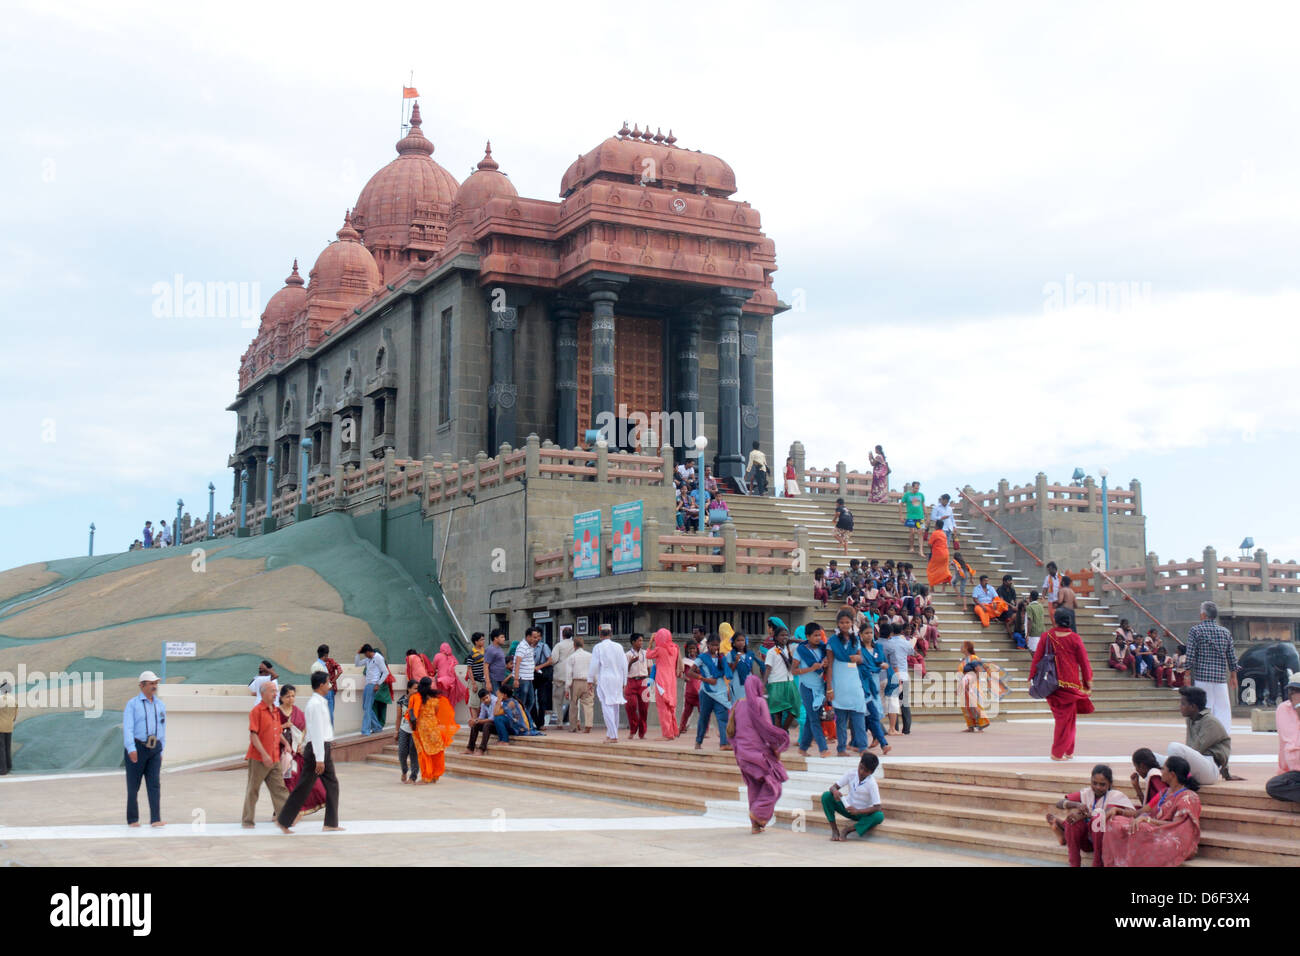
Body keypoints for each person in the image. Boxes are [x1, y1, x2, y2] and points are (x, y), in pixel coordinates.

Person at [1101, 755, 1202, 867]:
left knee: (1140, 828)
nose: (1160, 771)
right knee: (1114, 821)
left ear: (1172, 774)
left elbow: (1177, 826)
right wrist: (1118, 810)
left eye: (1163, 769)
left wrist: (1148, 820)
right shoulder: (1165, 792)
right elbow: (1140, 812)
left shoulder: (1189, 798)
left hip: (1171, 837)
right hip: (1153, 828)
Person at [278, 672, 342, 833]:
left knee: (332, 785)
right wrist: (320, 759)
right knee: (304, 787)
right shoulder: (315, 704)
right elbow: (317, 732)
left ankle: (331, 823)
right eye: (328, 683)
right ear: (321, 685)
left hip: (322, 749)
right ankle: (284, 820)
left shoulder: (320, 702)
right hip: (317, 751)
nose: (329, 686)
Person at [729, 675, 790, 833]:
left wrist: (739, 751)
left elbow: (731, 732)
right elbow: (767, 729)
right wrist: (776, 750)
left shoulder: (737, 704)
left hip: (742, 755)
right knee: (774, 786)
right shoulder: (759, 702)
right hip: (759, 755)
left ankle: (755, 825)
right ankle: (757, 813)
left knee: (754, 787)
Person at [1030, 608, 1094, 760]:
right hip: (1071, 684)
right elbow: (1084, 662)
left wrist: (1032, 679)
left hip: (1051, 684)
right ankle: (1057, 753)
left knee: (1064, 718)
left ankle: (1068, 750)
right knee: (1066, 719)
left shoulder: (1046, 636)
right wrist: (1088, 682)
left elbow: (1037, 659)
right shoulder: (1075, 638)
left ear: (1055, 620)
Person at [1045, 764, 1134, 867]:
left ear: (1109, 784)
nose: (1097, 787)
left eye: (1102, 784)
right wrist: (1076, 804)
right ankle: (1074, 863)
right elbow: (1059, 803)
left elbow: (1106, 813)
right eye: (1094, 783)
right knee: (1073, 822)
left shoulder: (1115, 796)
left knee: (1097, 820)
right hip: (1086, 841)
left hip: (1104, 843)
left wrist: (1084, 815)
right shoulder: (1087, 793)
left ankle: (1097, 862)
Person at [1165, 685, 1241, 785]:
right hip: (1197, 764)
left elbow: (1195, 750)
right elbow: (1190, 750)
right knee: (1152, 757)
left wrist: (1227, 774)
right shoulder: (1190, 719)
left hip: (1209, 769)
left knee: (1174, 748)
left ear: (1193, 707)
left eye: (1183, 704)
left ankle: (1180, 780)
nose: (1180, 706)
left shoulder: (1210, 722)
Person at [1185, 601, 1238, 733]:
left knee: (1203, 707)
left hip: (1202, 676)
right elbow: (1231, 656)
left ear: (1203, 615)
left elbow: (1190, 654)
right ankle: (1223, 736)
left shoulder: (1195, 630)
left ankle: (1204, 734)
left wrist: (1187, 674)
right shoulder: (1225, 632)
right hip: (1220, 677)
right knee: (1223, 708)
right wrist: (1233, 676)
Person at [242, 681, 290, 827]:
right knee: (253, 790)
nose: (275, 694)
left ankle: (286, 818)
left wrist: (286, 743)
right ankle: (247, 820)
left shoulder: (275, 711)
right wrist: (264, 754)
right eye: (272, 691)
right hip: (259, 758)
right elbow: (253, 735)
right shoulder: (256, 711)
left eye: (276, 691)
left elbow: (277, 731)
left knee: (279, 789)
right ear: (263, 694)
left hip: (274, 757)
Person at [123, 670, 166, 828]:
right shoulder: (132, 704)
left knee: (154, 783)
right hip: (138, 747)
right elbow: (128, 727)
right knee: (133, 785)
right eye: (151, 683)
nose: (154, 686)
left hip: (155, 748)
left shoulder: (160, 704)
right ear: (142, 686)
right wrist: (130, 748)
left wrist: (161, 750)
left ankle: (155, 818)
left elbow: (162, 727)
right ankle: (133, 819)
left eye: (156, 683)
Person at [825, 610, 869, 755]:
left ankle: (863, 747)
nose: (845, 625)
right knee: (841, 722)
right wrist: (829, 688)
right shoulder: (832, 641)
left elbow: (861, 658)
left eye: (847, 622)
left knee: (859, 719)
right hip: (840, 685)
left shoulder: (855, 639)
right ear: (838, 623)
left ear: (852, 623)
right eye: (842, 622)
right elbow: (830, 665)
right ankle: (841, 749)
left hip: (854, 684)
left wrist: (858, 659)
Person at [821, 751, 884, 842]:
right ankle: (834, 830)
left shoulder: (872, 784)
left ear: (871, 772)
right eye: (861, 767)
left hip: (862, 813)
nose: (861, 772)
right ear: (859, 763)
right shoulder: (851, 773)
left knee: (879, 816)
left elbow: (878, 807)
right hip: (847, 808)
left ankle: (847, 830)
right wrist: (835, 792)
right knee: (826, 796)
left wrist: (858, 811)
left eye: (866, 771)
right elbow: (833, 787)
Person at [409, 677, 458, 783]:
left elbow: (411, 713)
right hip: (434, 728)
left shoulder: (416, 697)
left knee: (424, 752)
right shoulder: (435, 699)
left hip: (421, 728)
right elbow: (436, 713)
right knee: (437, 752)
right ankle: (435, 776)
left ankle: (426, 777)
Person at [793, 623, 830, 757]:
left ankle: (803, 748)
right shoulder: (800, 650)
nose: (818, 638)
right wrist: (811, 669)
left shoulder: (823, 649)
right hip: (806, 687)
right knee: (814, 718)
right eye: (815, 635)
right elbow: (794, 670)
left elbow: (827, 665)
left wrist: (825, 664)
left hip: (819, 688)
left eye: (819, 635)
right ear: (807, 636)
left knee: (811, 718)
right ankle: (823, 748)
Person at [589, 624, 629, 743]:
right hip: (617, 679)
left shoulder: (598, 647)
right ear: (611, 634)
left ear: (600, 635)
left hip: (606, 678)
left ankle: (613, 735)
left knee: (607, 706)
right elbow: (624, 665)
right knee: (615, 706)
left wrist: (590, 680)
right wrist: (624, 681)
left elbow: (594, 665)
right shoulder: (619, 647)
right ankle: (611, 733)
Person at [695, 634, 733, 750]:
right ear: (708, 645)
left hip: (720, 691)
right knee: (704, 718)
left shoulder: (722, 658)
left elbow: (727, 672)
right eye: (712, 645)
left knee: (723, 717)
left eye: (717, 645)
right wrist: (704, 679)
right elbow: (690, 672)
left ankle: (724, 743)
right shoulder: (701, 658)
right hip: (706, 692)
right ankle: (698, 741)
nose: (715, 648)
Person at [1266, 675, 1300, 804]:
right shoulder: (1283, 709)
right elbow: (1284, 744)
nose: (1293, 694)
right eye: (1291, 690)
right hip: (1296, 773)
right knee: (1274, 786)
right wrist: (1282, 771)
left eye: (1297, 691)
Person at [645, 628, 682, 740]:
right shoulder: (675, 648)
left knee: (663, 708)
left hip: (661, 680)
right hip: (672, 681)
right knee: (671, 707)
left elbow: (648, 655)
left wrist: (651, 642)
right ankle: (674, 731)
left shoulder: (659, 649)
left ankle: (667, 734)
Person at [764, 627, 800, 731]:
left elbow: (804, 642)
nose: (784, 637)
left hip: (789, 682)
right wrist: (763, 685)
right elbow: (768, 668)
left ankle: (784, 731)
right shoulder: (771, 652)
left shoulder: (788, 649)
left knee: (795, 707)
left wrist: (791, 640)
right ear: (775, 637)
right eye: (782, 635)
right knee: (778, 713)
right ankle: (779, 736)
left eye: (786, 635)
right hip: (776, 683)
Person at [355, 643, 389, 735]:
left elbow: (385, 672)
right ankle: (377, 727)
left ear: (368, 652)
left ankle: (365, 730)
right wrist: (358, 654)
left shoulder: (378, 658)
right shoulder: (368, 659)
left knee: (367, 707)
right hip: (367, 685)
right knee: (366, 707)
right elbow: (357, 664)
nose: (365, 656)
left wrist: (378, 684)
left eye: (365, 654)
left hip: (373, 684)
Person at [623, 632, 650, 739]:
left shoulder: (646, 653)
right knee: (630, 706)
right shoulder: (627, 655)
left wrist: (651, 681)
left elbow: (649, 668)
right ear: (633, 642)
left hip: (644, 681)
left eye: (642, 641)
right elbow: (624, 671)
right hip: (631, 681)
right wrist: (631, 662)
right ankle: (633, 729)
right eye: (639, 640)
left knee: (644, 708)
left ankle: (642, 732)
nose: (641, 643)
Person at [309, 644, 342, 724]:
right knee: (327, 718)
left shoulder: (322, 665)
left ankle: (330, 735)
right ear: (325, 655)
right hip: (324, 694)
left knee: (330, 717)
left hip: (328, 693)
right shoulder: (316, 666)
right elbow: (317, 682)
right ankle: (328, 736)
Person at [512, 626, 540, 720]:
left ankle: (523, 717)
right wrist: (516, 679)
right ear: (528, 637)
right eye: (534, 637)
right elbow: (517, 662)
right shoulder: (522, 646)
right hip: (522, 678)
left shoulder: (530, 646)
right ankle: (518, 719)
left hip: (529, 678)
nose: (536, 639)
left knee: (531, 700)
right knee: (521, 700)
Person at [395, 679, 421, 782]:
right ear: (408, 689)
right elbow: (398, 717)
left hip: (415, 731)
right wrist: (396, 731)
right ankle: (404, 771)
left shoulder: (420, 700)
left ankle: (413, 776)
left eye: (418, 688)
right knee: (402, 752)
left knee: (413, 753)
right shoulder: (401, 701)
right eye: (415, 688)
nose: (417, 690)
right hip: (403, 729)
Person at [567, 636, 594, 733]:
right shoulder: (590, 656)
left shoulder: (571, 657)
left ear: (574, 645)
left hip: (575, 682)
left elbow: (568, 673)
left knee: (573, 704)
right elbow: (594, 670)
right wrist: (593, 682)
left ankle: (573, 726)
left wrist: (567, 687)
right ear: (583, 645)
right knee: (588, 704)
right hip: (587, 681)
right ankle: (588, 725)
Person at [433, 641, 469, 708]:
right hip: (452, 681)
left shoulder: (438, 656)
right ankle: (449, 715)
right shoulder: (453, 657)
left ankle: (443, 716)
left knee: (442, 700)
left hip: (442, 681)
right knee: (451, 701)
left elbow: (433, 668)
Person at [679, 639, 702, 735]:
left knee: (703, 711)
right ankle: (682, 727)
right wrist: (684, 677)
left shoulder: (701, 660)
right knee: (686, 711)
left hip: (700, 690)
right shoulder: (684, 661)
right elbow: (680, 673)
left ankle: (704, 730)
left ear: (697, 649)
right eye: (690, 649)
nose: (692, 651)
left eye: (694, 648)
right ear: (687, 650)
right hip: (689, 690)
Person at [466, 688, 498, 754]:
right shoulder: (483, 704)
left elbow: (493, 718)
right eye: (483, 699)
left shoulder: (495, 701)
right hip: (492, 723)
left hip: (499, 725)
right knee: (475, 725)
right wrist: (474, 720)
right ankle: (470, 748)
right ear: (481, 699)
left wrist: (478, 721)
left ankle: (482, 749)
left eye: (487, 698)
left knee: (487, 725)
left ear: (489, 695)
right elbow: (481, 717)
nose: (485, 700)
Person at [898, 481, 925, 555]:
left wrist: (926, 515)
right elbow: (901, 504)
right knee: (912, 532)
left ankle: (921, 550)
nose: (917, 489)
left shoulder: (921, 495)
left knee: (920, 532)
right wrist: (901, 516)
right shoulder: (907, 495)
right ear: (912, 487)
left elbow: (923, 505)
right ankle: (911, 547)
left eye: (918, 488)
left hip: (920, 517)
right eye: (916, 488)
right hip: (911, 517)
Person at [925, 522, 951, 593]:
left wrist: (932, 547)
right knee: (945, 571)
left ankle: (932, 589)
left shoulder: (935, 533)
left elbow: (929, 544)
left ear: (936, 526)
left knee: (930, 570)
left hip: (937, 554)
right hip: (945, 554)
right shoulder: (944, 534)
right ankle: (943, 590)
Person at [484, 629, 508, 694]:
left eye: (504, 637)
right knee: (495, 699)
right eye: (502, 637)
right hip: (493, 679)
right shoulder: (490, 649)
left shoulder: (499, 648)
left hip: (500, 679)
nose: (504, 639)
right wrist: (488, 682)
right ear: (496, 638)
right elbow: (485, 666)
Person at [464, 632, 487, 697]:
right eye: (481, 640)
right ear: (476, 642)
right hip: (476, 681)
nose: (483, 641)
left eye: (483, 639)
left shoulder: (485, 651)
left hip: (483, 680)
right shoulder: (471, 653)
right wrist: (473, 683)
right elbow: (469, 669)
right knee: (475, 703)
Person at [0, 680, 16, 775]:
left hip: (0, 727)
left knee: (1, 748)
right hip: (9, 726)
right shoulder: (14, 700)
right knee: (7, 747)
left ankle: (2, 769)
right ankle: (9, 766)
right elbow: (15, 715)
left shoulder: (0, 699)